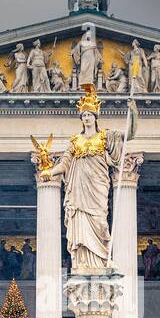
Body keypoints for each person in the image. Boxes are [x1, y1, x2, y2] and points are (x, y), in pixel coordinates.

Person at [39, 84, 120, 273]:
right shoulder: (75, 141)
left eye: (89, 115)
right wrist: (50, 172)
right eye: (83, 115)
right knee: (80, 224)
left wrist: (132, 114)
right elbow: (65, 163)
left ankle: (102, 258)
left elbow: (129, 135)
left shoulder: (105, 137)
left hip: (97, 187)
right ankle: (82, 263)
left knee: (100, 221)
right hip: (79, 189)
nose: (86, 118)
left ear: (95, 117)